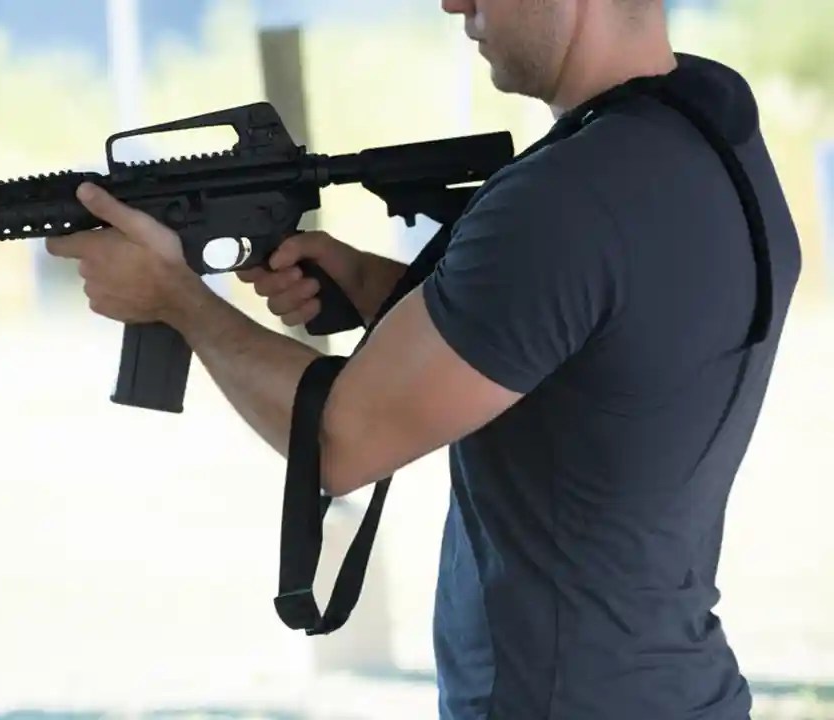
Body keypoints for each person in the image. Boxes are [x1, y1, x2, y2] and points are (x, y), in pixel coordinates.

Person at [46, 0, 804, 717]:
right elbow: (586, 352)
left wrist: (175, 297)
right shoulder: (710, 130)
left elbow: (339, 444)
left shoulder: (568, 197)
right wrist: (385, 289)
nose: (452, 3)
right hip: (678, 689)